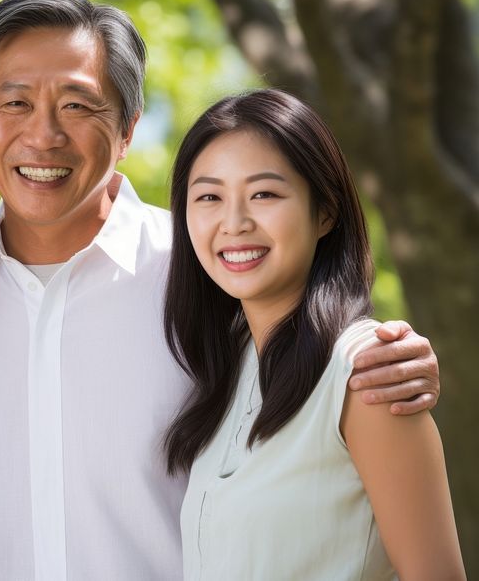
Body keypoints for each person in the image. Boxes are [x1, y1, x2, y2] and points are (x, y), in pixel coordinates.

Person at [0, 0, 443, 579]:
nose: (44, 136)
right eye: (13, 103)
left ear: (129, 127)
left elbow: (317, 349)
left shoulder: (209, 270)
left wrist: (394, 358)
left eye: (77, 105)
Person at [166, 89, 464, 579]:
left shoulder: (369, 374)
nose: (234, 222)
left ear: (324, 212)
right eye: (209, 197)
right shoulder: (229, 365)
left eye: (264, 194)